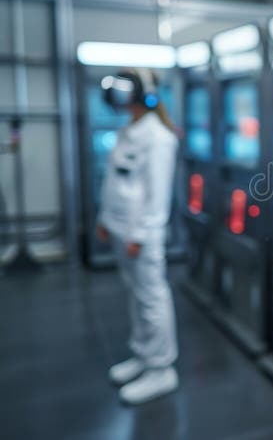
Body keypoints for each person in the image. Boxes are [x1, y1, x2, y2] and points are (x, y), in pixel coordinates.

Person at [95, 68, 180, 405]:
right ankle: (144, 356)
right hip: (118, 228)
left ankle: (162, 369)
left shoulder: (159, 138)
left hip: (140, 235)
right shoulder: (127, 131)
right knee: (136, 295)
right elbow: (115, 181)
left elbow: (158, 196)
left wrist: (143, 235)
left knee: (152, 298)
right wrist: (104, 218)